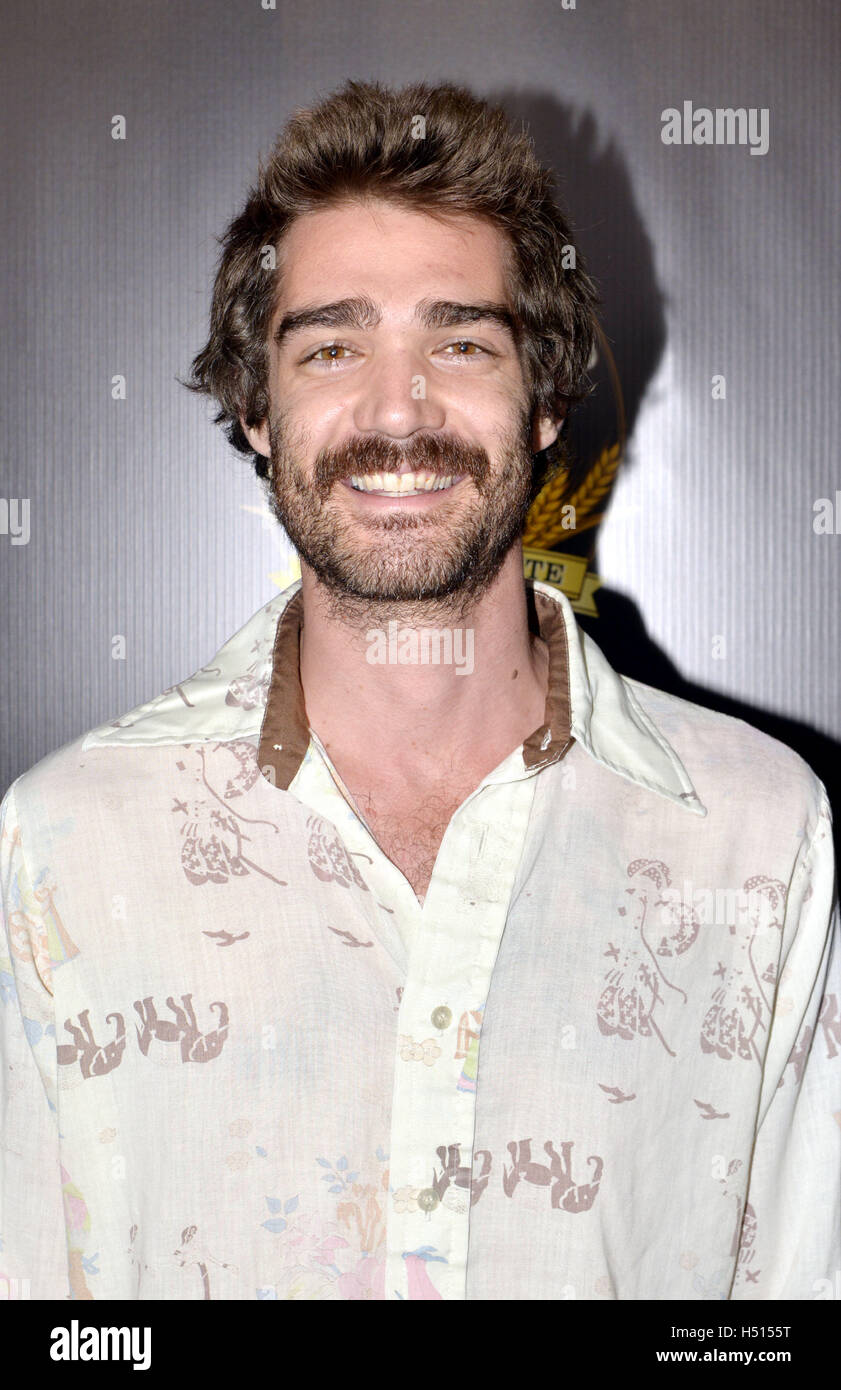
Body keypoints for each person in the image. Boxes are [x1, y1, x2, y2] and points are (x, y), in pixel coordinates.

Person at [1, 79, 838, 1302]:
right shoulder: (62, 850)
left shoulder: (760, 838)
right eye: (333, 347)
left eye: (460, 342)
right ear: (254, 409)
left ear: (545, 398)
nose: (400, 412)